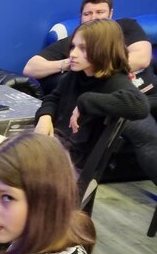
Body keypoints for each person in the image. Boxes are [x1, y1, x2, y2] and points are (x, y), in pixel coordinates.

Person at [33, 18, 153, 176]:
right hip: (54, 146)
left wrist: (85, 101)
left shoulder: (115, 81)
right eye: (73, 47)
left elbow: (140, 106)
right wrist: (45, 117)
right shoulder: (77, 74)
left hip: (72, 164)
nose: (73, 54)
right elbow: (54, 98)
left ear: (102, 50)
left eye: (82, 48)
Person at [23, 0, 155, 96]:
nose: (94, 18)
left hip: (150, 92)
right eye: (87, 14)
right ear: (81, 17)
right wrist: (68, 63)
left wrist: (92, 64)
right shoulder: (75, 41)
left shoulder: (126, 26)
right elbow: (30, 68)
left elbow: (142, 59)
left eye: (100, 12)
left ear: (110, 14)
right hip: (116, 102)